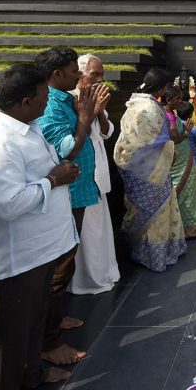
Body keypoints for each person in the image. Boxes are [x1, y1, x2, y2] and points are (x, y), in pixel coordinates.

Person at [0, 62, 80, 390]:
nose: (49, 101)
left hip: (41, 248)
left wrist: (56, 175)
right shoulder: (0, 142)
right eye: (45, 96)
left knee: (33, 322)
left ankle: (32, 374)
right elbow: (9, 204)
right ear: (27, 101)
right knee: (9, 336)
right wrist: (53, 179)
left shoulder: (29, 129)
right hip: (17, 257)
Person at [35, 47, 108, 364]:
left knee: (66, 260)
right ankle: (48, 341)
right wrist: (86, 116)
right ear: (56, 74)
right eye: (73, 71)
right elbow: (68, 149)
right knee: (60, 266)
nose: (78, 76)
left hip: (76, 191)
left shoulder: (65, 100)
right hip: (65, 193)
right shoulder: (52, 106)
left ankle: (55, 318)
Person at [114, 69, 187, 272]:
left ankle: (140, 252)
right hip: (154, 169)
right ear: (163, 88)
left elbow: (132, 140)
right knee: (158, 212)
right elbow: (155, 142)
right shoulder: (151, 108)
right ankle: (156, 257)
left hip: (134, 166)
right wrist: (170, 150)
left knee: (141, 208)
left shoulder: (133, 104)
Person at [69, 54, 120, 295]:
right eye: (95, 74)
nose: (100, 79)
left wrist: (100, 111)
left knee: (100, 230)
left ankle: (105, 272)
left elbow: (107, 132)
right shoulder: (71, 100)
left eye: (102, 74)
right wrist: (91, 111)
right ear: (80, 76)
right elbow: (75, 138)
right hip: (81, 174)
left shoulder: (95, 98)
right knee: (87, 232)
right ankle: (86, 280)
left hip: (98, 170)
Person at [169, 100, 196, 238]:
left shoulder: (175, 121)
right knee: (191, 193)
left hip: (178, 162)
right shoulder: (191, 128)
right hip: (188, 161)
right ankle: (190, 228)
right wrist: (187, 133)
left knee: (183, 193)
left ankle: (182, 226)